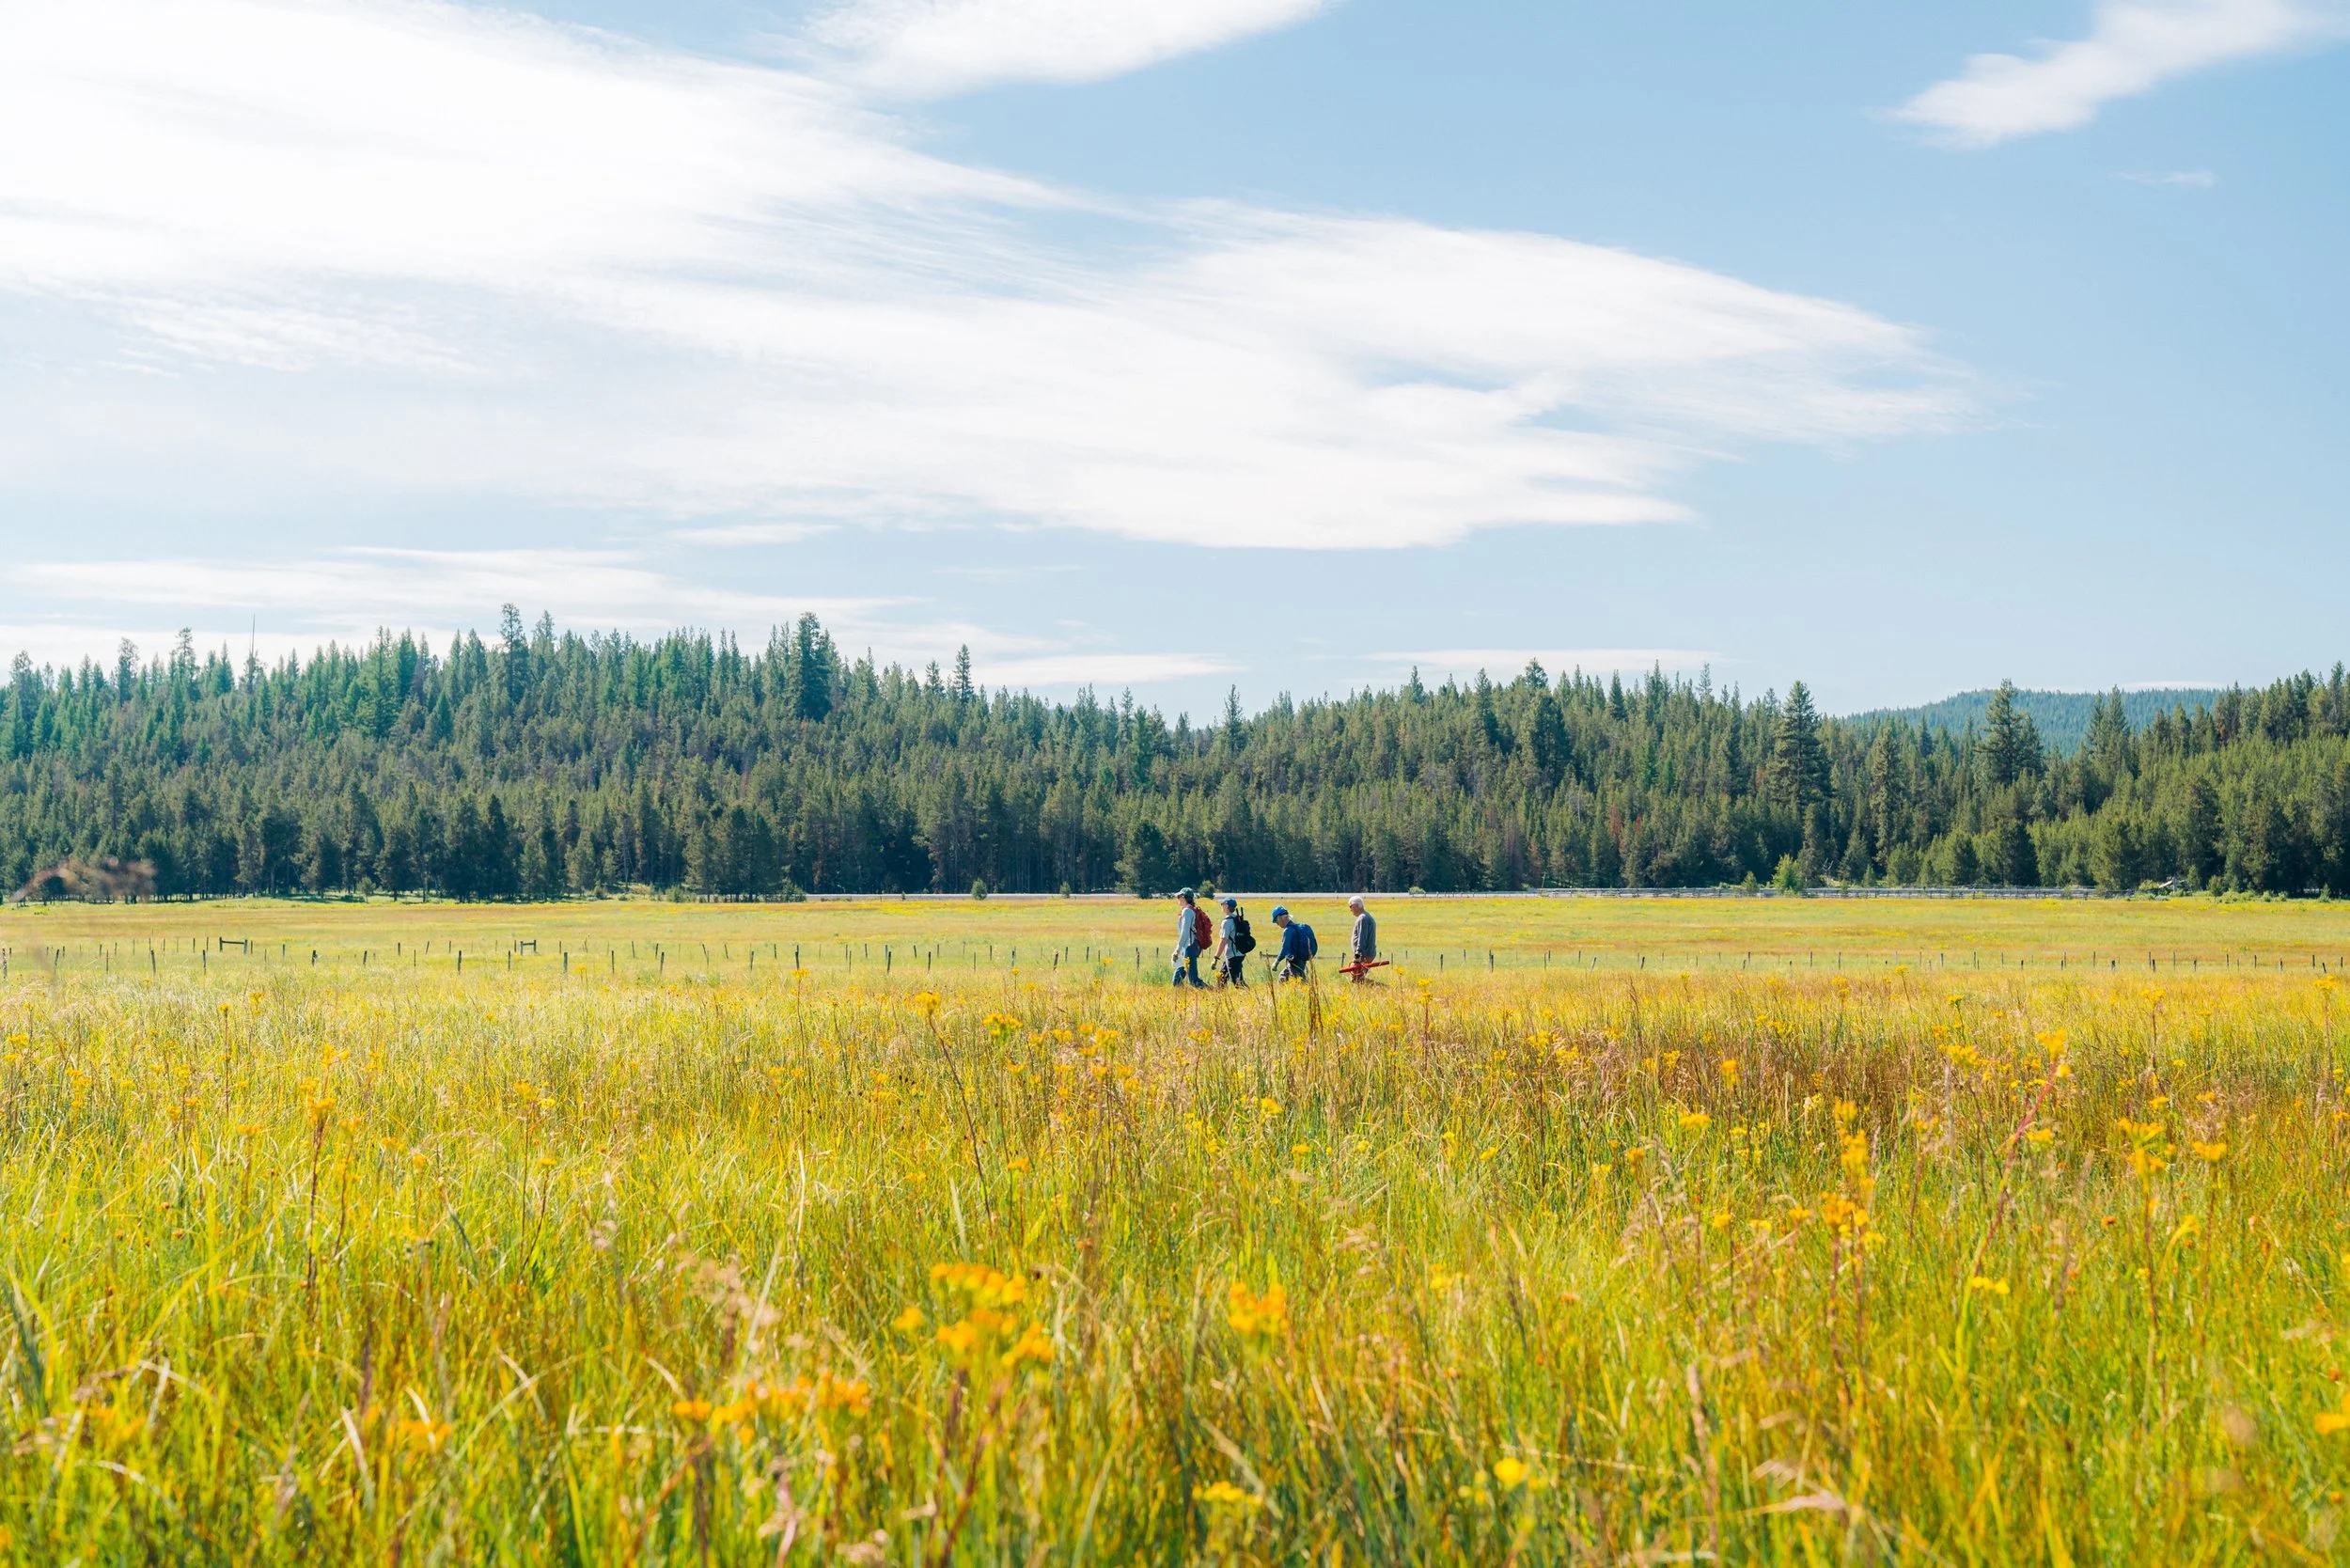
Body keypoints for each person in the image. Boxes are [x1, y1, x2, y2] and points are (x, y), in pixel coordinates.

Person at [1169, 887, 1208, 989]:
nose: (1177, 898)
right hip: (1189, 946)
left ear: (1183, 897)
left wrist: (1177, 950)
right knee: (1178, 979)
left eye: (1179, 896)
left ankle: (1213, 992)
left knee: (1194, 980)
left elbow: (1185, 932)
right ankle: (1181, 995)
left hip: (1189, 946)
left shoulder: (1187, 911)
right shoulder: (1190, 910)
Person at [1213, 895, 1252, 987]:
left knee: (1238, 983)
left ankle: (1251, 995)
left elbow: (1223, 941)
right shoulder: (1237, 919)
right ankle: (1219, 995)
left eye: (1222, 904)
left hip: (1232, 956)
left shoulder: (1226, 922)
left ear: (1226, 906)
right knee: (1221, 979)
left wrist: (1216, 958)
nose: (1221, 906)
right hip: (1239, 953)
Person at [1270, 905, 1316, 980]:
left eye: (1276, 921)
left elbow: (1284, 949)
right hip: (1300, 961)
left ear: (1279, 918)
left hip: (1295, 962)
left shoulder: (1288, 930)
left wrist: (1276, 962)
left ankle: (1307, 987)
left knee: (1297, 981)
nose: (1277, 924)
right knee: (1283, 978)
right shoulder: (1295, 928)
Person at [1346, 895, 1376, 980]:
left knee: (1357, 979)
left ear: (1356, 905)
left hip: (1364, 955)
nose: (1350, 909)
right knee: (1359, 979)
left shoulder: (1363, 918)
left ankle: (1383, 987)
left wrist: (1357, 956)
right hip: (1366, 953)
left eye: (1351, 906)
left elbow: (1362, 938)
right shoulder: (1366, 916)